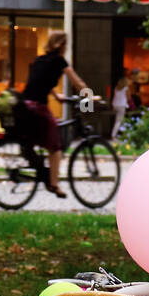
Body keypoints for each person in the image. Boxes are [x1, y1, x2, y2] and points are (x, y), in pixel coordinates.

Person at [21, 31, 90, 196]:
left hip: (25, 105)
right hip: (38, 107)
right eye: (66, 44)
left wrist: (55, 95)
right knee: (56, 145)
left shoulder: (40, 59)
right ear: (61, 45)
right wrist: (89, 94)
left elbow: (40, 81)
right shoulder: (59, 61)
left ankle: (43, 171)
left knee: (44, 137)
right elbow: (77, 81)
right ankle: (54, 184)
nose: (66, 48)